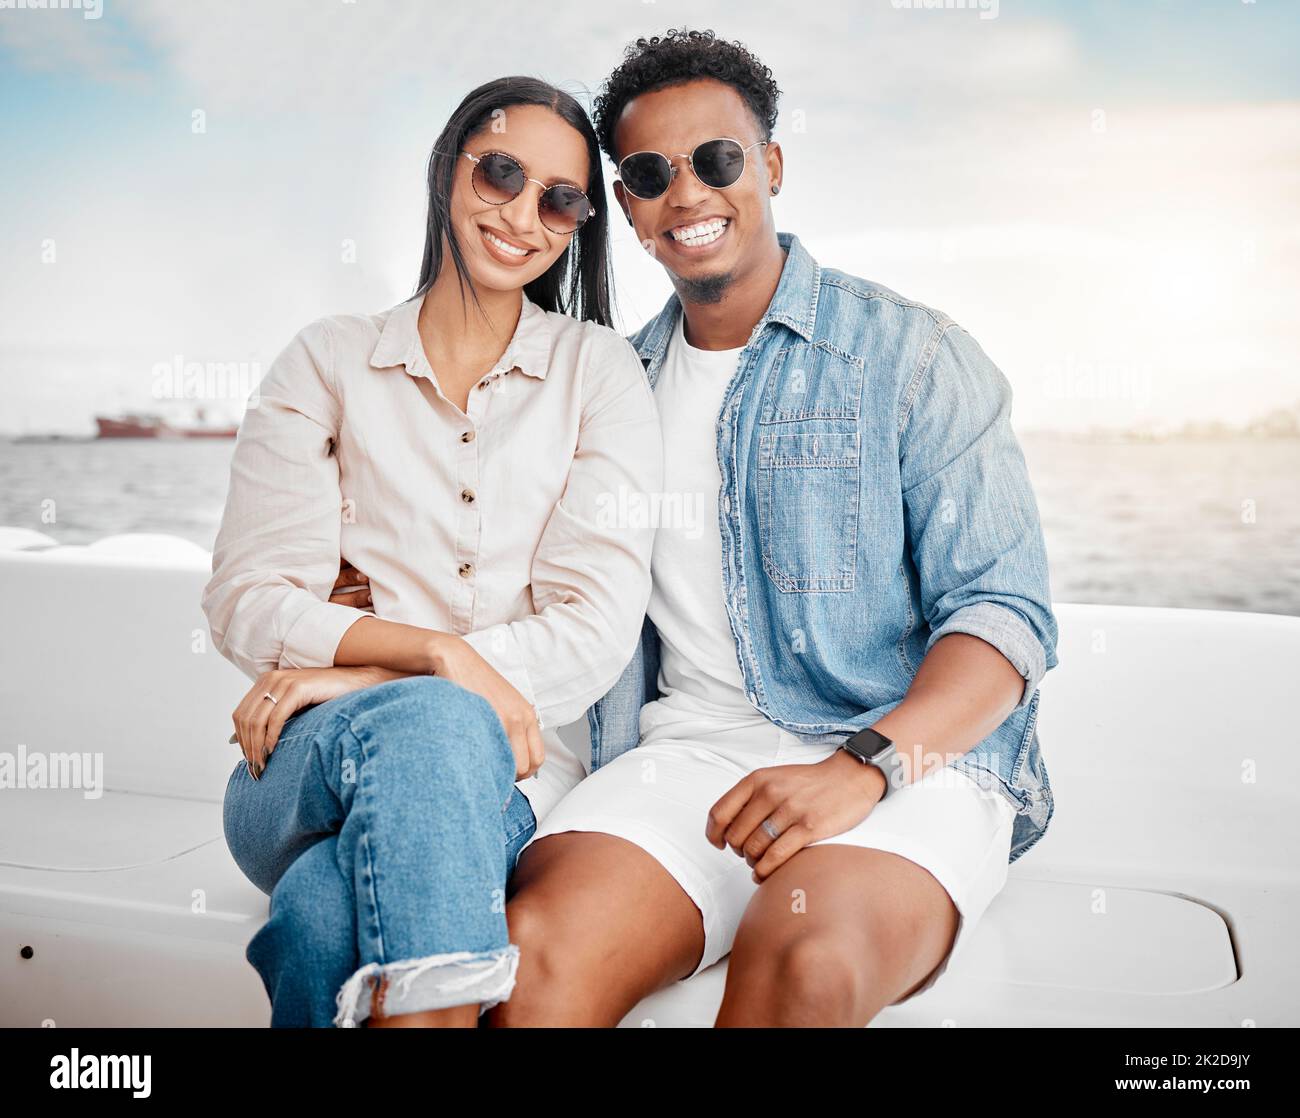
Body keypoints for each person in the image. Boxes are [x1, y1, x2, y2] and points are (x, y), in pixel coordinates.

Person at [488, 29, 1059, 1028]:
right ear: (624, 203)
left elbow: (1003, 615)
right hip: (683, 760)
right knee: (529, 969)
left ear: (772, 166)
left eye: (717, 159)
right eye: (651, 173)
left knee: (806, 961)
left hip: (903, 760)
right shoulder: (606, 391)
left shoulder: (915, 355)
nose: (689, 194)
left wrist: (862, 768)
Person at [203, 76, 662, 1027]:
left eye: (560, 198)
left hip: (514, 774)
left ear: (578, 223)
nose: (523, 215)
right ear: (449, 170)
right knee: (438, 719)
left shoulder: (598, 373)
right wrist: (433, 655)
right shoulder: (327, 360)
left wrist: (366, 670)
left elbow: (594, 632)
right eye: (501, 172)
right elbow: (248, 598)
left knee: (323, 920)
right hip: (300, 774)